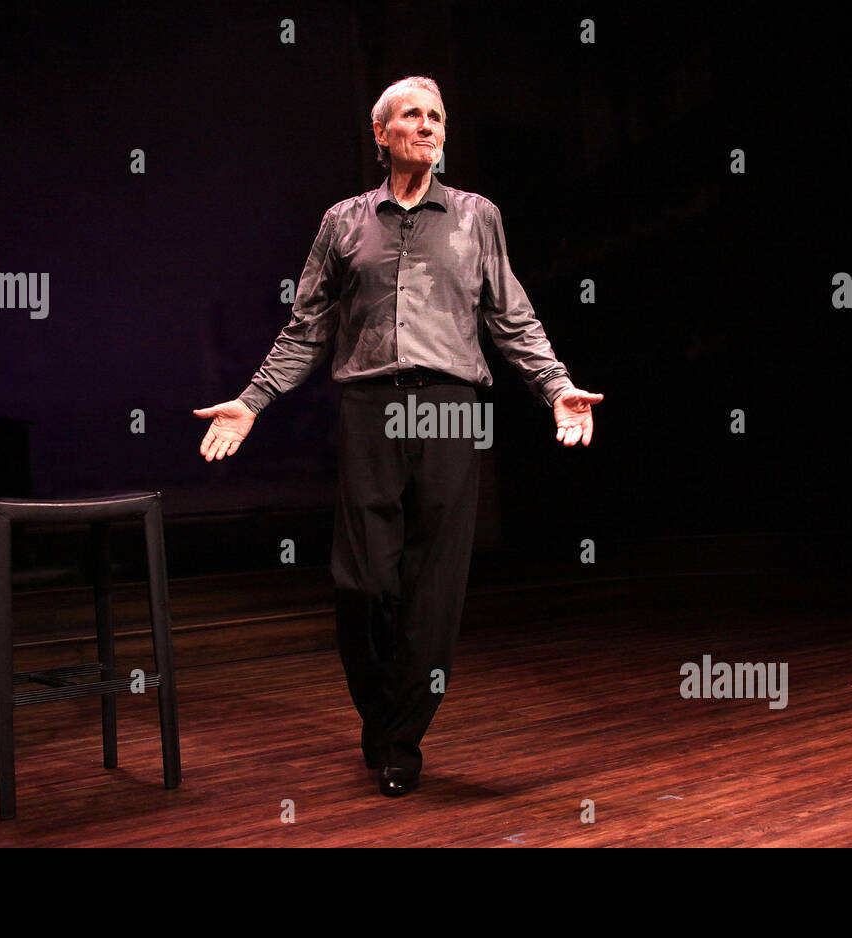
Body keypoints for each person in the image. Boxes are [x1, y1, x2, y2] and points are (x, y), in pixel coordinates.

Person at [194, 76, 602, 797]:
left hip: (450, 406)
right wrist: (252, 402)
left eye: (436, 116)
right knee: (362, 582)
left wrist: (554, 385)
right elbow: (307, 328)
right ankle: (381, 713)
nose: (427, 125)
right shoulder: (344, 221)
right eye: (411, 115)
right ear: (380, 133)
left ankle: (402, 739)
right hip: (370, 406)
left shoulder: (478, 217)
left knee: (435, 581)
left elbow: (512, 317)